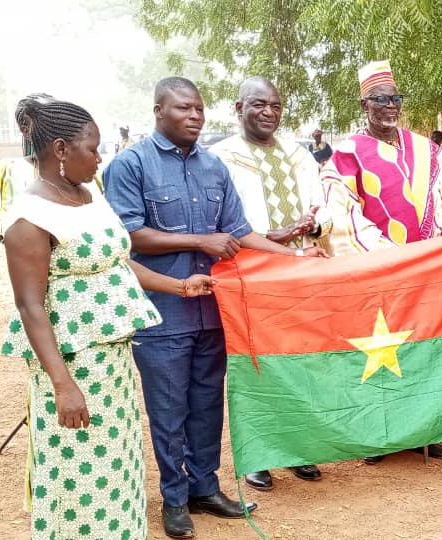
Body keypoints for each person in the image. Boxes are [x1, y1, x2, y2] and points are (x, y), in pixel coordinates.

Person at [104, 76, 323, 539]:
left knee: (207, 404)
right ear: (159, 110)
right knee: (168, 409)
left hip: (215, 310)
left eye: (200, 109)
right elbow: (128, 237)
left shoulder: (213, 167)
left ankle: (206, 487)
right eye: (184, 109)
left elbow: (240, 233)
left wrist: (296, 257)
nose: (195, 116)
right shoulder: (130, 165)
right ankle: (175, 497)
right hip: (162, 309)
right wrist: (199, 240)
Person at [0, 96, 216, 540]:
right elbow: (30, 306)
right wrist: (63, 385)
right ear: (61, 150)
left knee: (118, 469)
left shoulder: (88, 194)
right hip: (73, 367)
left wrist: (178, 285)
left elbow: (115, 261)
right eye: (92, 149)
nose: (100, 159)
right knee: (79, 478)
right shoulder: (28, 218)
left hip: (112, 367)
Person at [321, 60, 442, 461]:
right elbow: (341, 211)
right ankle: (379, 434)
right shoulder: (346, 154)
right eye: (380, 99)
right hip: (378, 269)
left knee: (424, 344)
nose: (389, 106)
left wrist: (439, 250)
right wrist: (388, 256)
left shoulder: (426, 149)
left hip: (426, 269)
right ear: (364, 104)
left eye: (395, 99)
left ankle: (423, 429)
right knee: (378, 349)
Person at [210, 76, 329, 490]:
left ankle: (300, 447)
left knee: (302, 357)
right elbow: (222, 221)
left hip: (298, 272)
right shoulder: (220, 158)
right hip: (251, 273)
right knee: (256, 363)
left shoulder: (299, 155)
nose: (268, 113)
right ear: (238, 107)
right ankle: (259, 454)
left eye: (275, 106)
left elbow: (322, 205)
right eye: (259, 105)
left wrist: (314, 223)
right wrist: (274, 235)